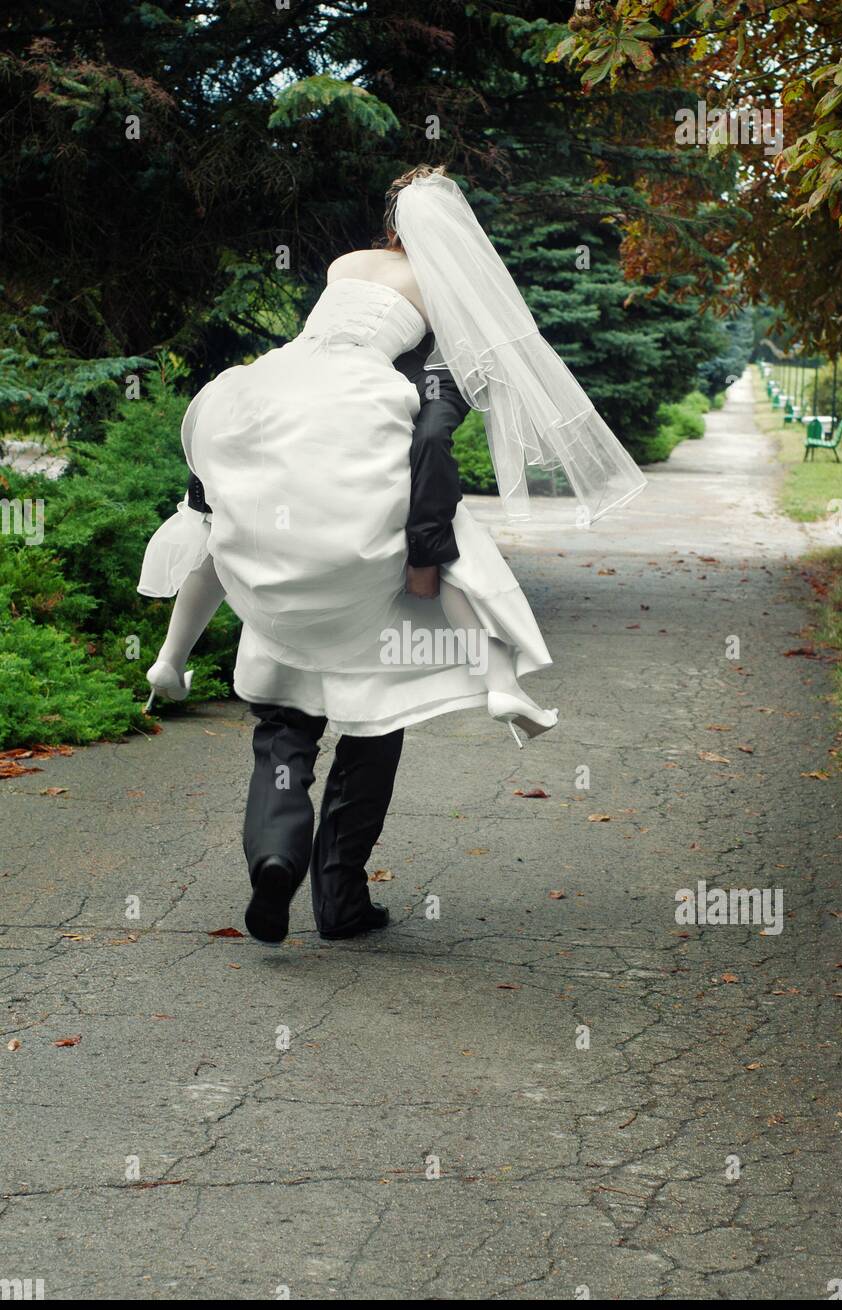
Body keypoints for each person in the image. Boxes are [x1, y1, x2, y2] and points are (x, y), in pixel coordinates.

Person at [137, 165, 645, 945]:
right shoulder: (444, 307)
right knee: (374, 721)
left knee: (282, 720)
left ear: (389, 223)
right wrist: (427, 549)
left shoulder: (343, 271)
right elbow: (434, 444)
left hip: (270, 460)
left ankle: (275, 852)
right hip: (360, 538)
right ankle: (341, 899)